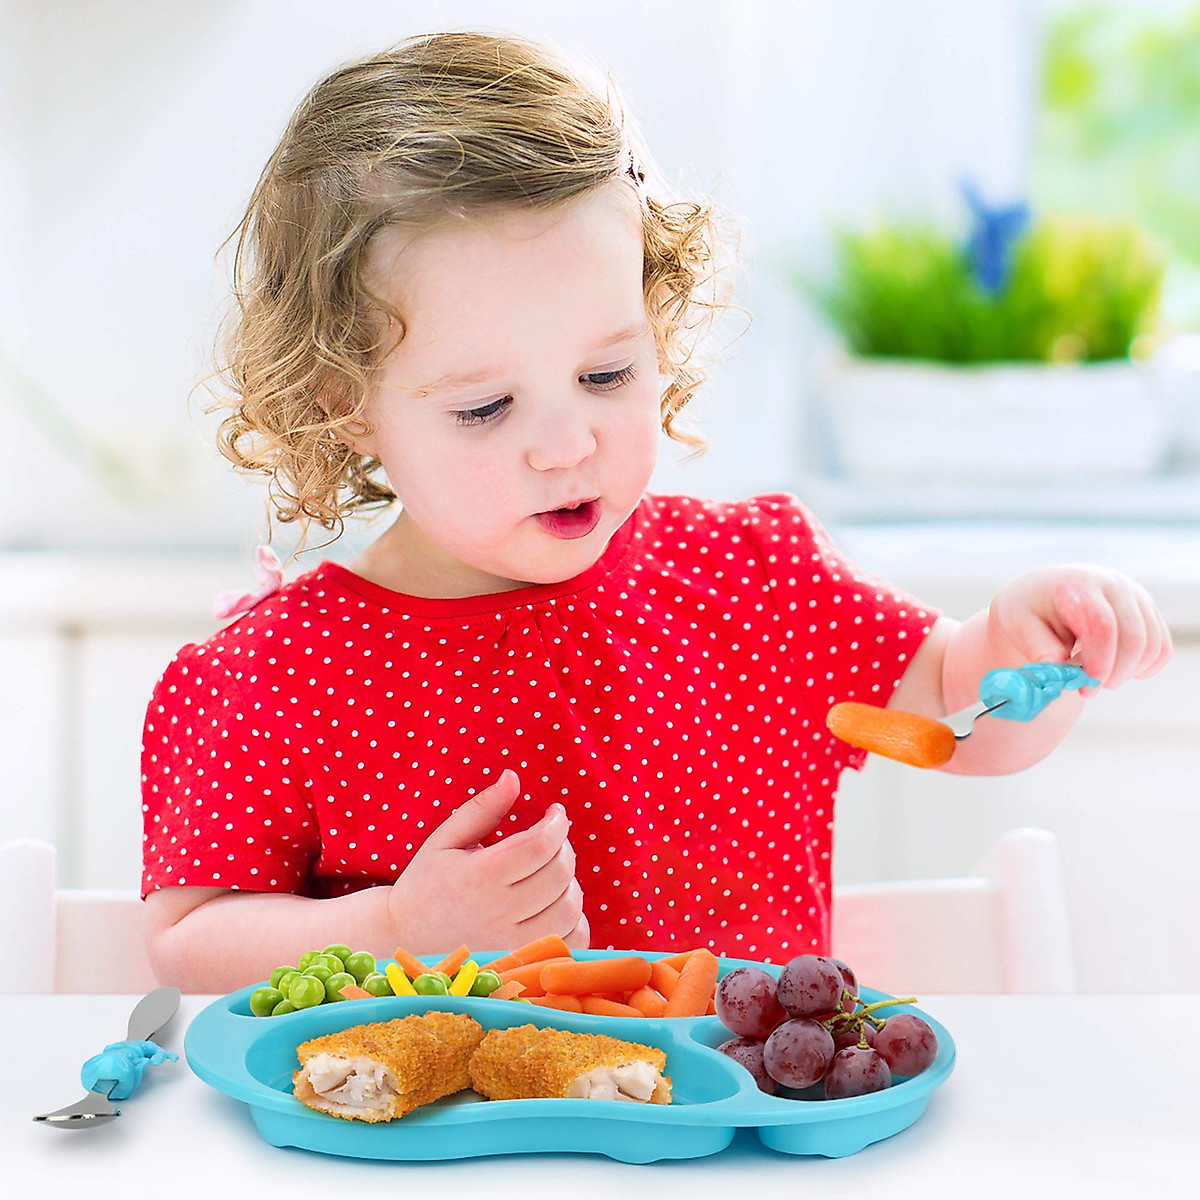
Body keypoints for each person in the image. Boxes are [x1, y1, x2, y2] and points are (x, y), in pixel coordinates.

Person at [141, 30, 1172, 993]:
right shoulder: (277, 673)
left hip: (743, 1115)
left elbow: (952, 719)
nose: (566, 444)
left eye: (606, 375)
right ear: (345, 404)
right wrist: (393, 927)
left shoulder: (754, 580)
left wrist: (1023, 646)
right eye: (486, 407)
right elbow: (190, 941)